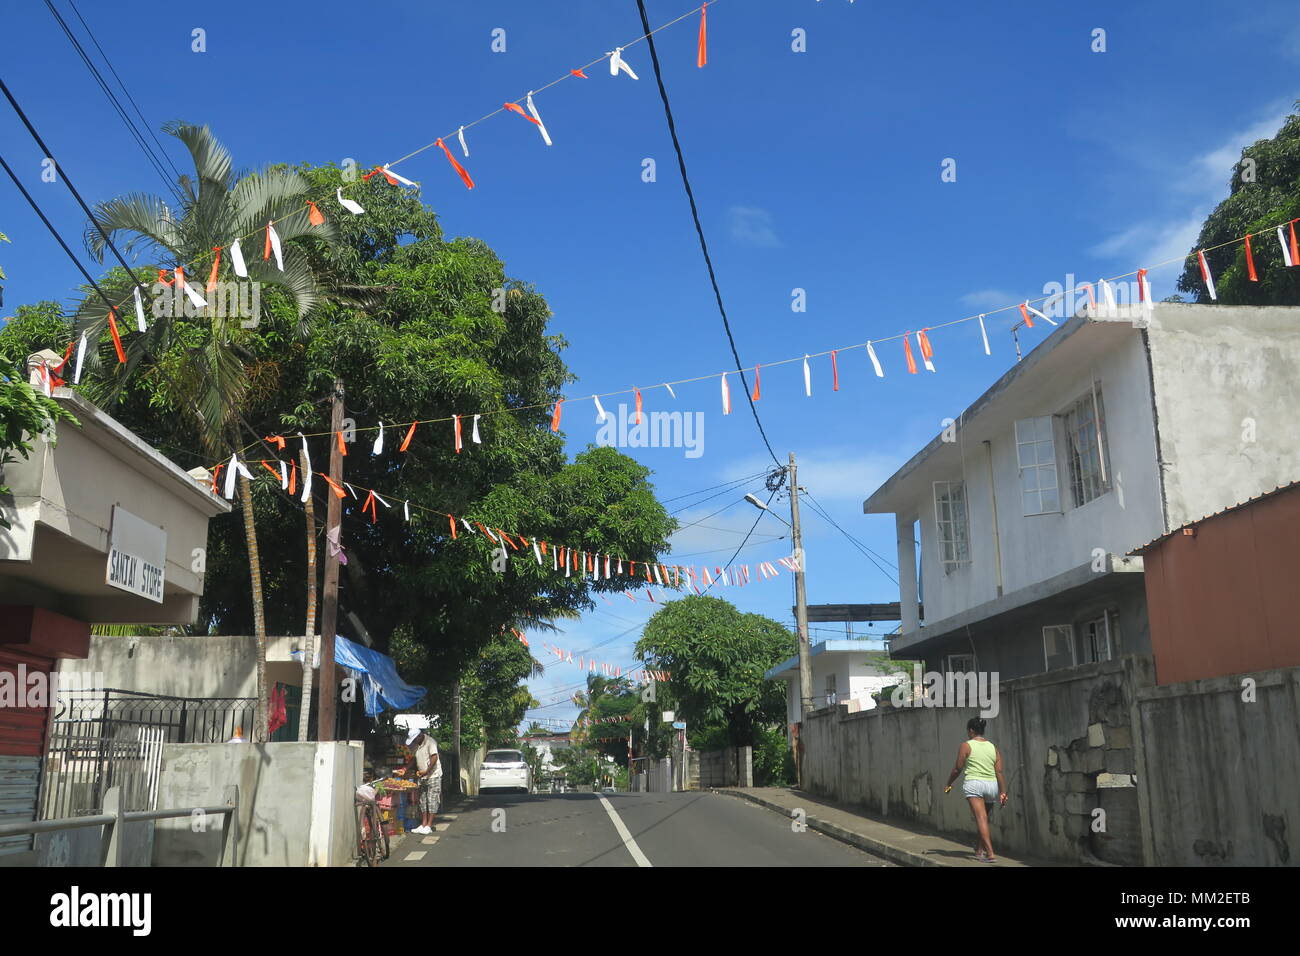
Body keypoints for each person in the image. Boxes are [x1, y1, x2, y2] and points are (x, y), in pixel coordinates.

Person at [944, 716, 1007, 862]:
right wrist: (1003, 792)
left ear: (971, 731)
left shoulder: (966, 745)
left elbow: (957, 769)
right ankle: (979, 850)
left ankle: (990, 853)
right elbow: (999, 772)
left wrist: (948, 784)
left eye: (968, 731)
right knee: (984, 820)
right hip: (991, 786)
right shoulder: (993, 747)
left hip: (974, 784)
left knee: (981, 818)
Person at [405, 728, 441, 835]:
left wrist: (427, 771)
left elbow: (434, 757)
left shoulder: (430, 742)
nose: (414, 741)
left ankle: (429, 825)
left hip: (433, 775)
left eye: (415, 739)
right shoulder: (416, 745)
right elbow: (413, 759)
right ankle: (423, 824)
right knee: (422, 800)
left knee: (432, 800)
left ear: (419, 736)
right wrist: (406, 769)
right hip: (422, 776)